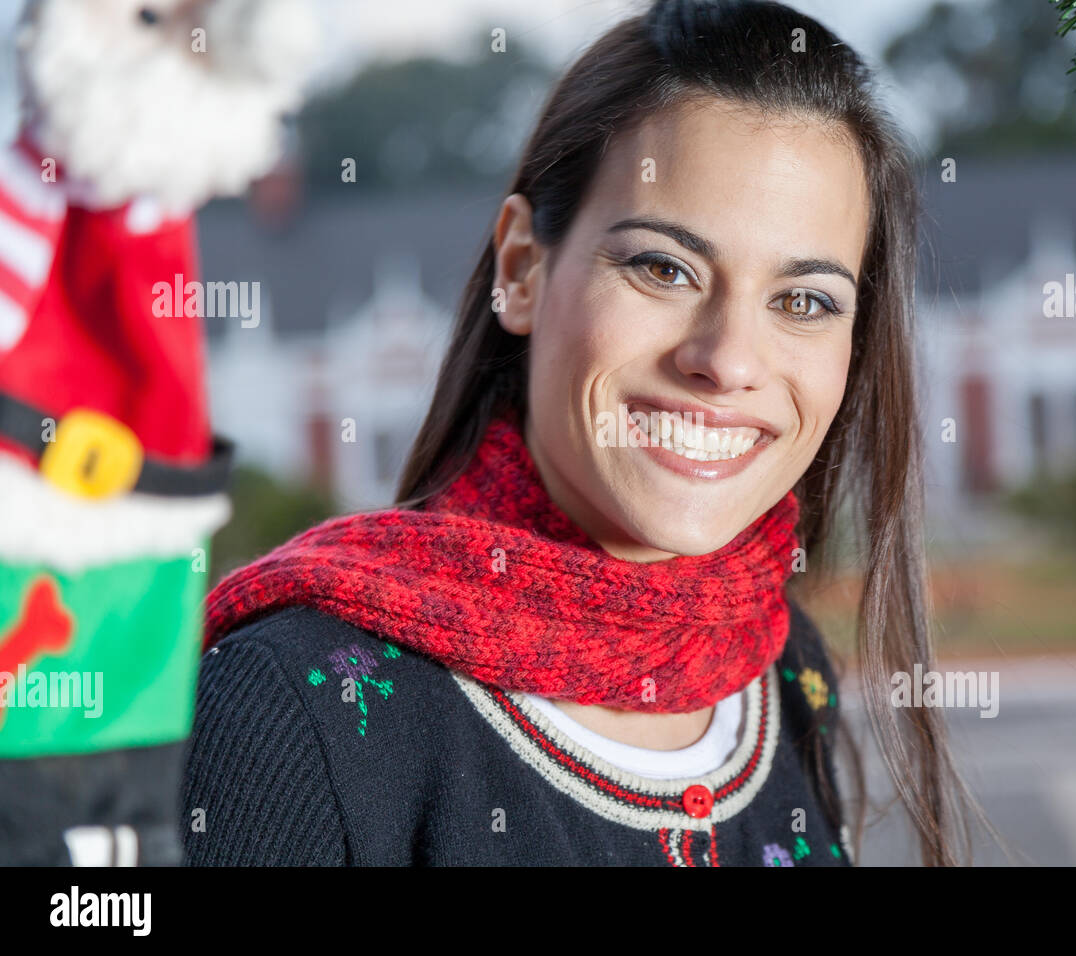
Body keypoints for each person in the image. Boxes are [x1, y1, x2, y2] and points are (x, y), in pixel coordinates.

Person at [182, 0, 989, 866]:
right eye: (663, 267)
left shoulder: (780, 663)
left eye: (803, 302)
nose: (726, 359)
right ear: (523, 270)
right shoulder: (290, 705)